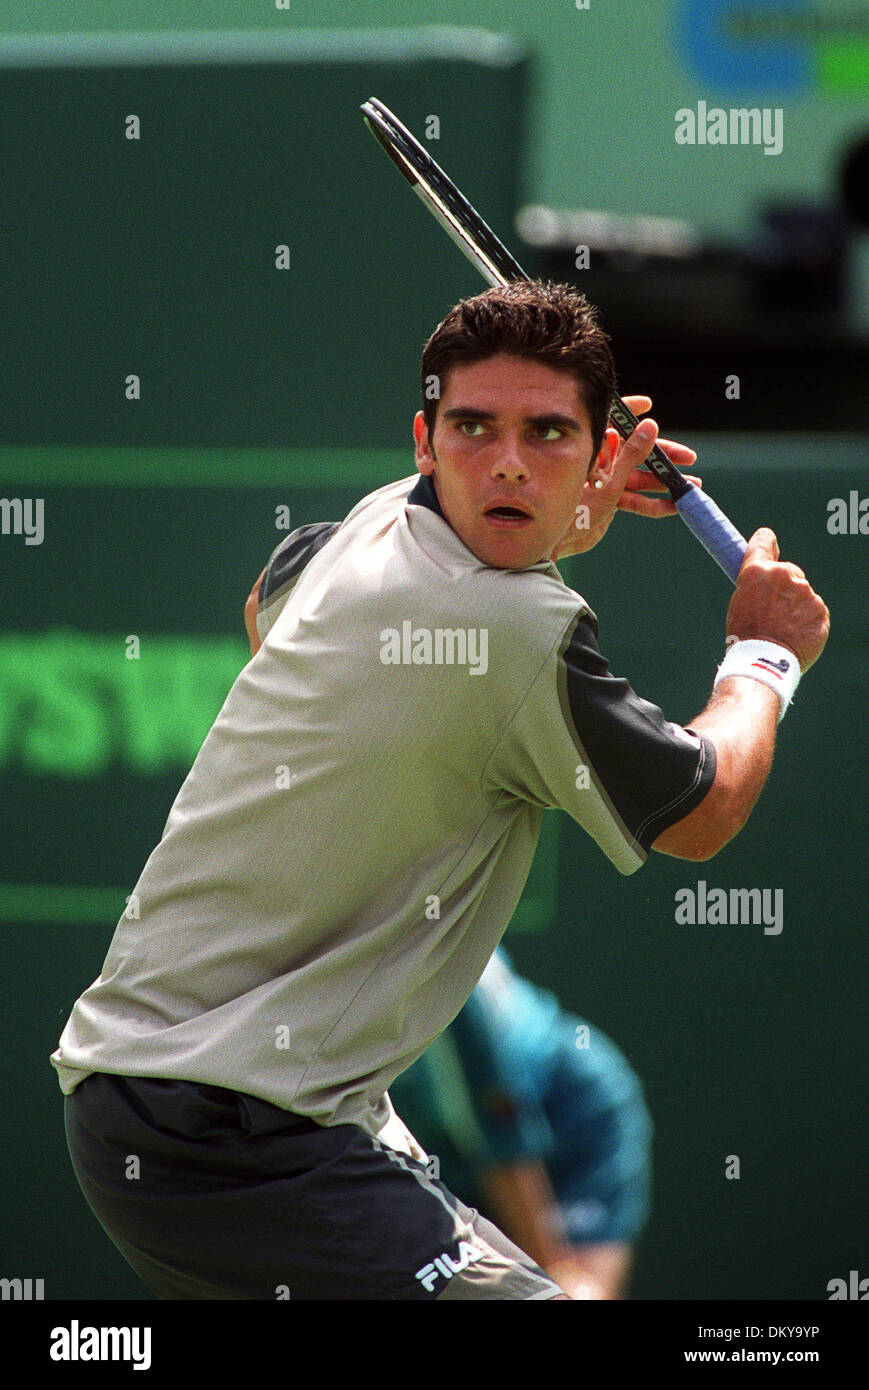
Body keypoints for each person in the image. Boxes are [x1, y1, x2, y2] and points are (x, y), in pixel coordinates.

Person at [52, 281, 829, 1301]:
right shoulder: (513, 635)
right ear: (426, 438)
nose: (504, 460)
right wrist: (763, 656)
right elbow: (700, 811)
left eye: (547, 434)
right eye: (473, 427)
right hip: (232, 1134)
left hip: (180, 1113)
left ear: (603, 458)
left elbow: (266, 604)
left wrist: (558, 520)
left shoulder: (367, 527)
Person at [387, 946, 653, 1301]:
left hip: (566, 1111)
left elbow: (495, 1126)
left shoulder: (433, 950)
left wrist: (547, 1283)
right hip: (435, 1147)